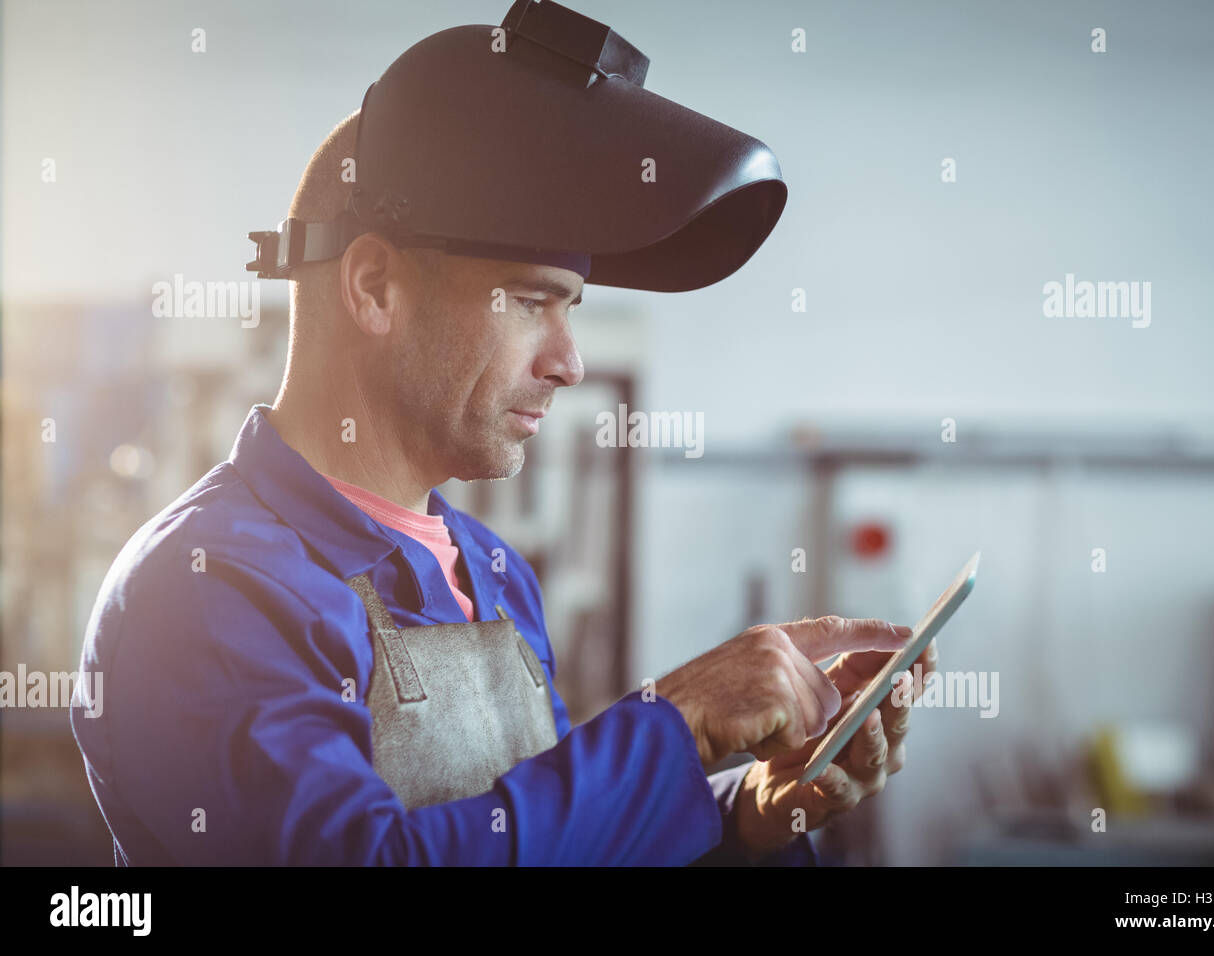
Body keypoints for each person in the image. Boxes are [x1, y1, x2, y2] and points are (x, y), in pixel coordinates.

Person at [71, 1, 935, 865]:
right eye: (529, 303)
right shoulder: (210, 588)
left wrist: (741, 815)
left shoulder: (492, 573)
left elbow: (559, 849)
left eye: (572, 309)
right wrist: (676, 726)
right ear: (374, 287)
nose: (569, 362)